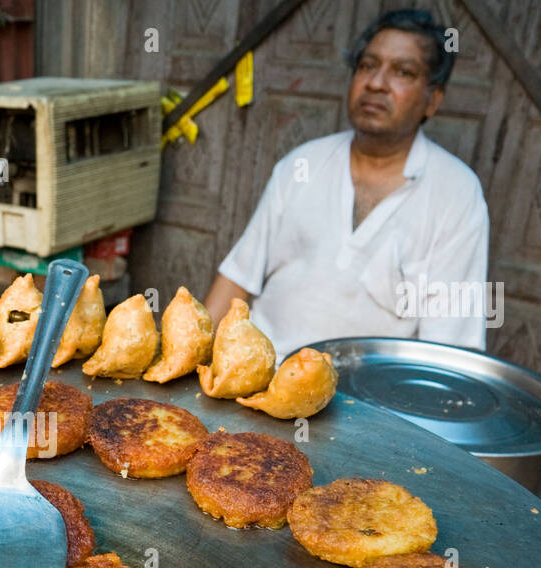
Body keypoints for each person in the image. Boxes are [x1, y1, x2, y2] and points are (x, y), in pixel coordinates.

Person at [205, 8, 490, 361]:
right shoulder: (302, 165)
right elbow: (237, 280)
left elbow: (449, 353)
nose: (376, 83)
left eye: (403, 71)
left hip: (366, 407)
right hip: (261, 382)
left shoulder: (457, 194)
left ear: (433, 100)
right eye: (368, 66)